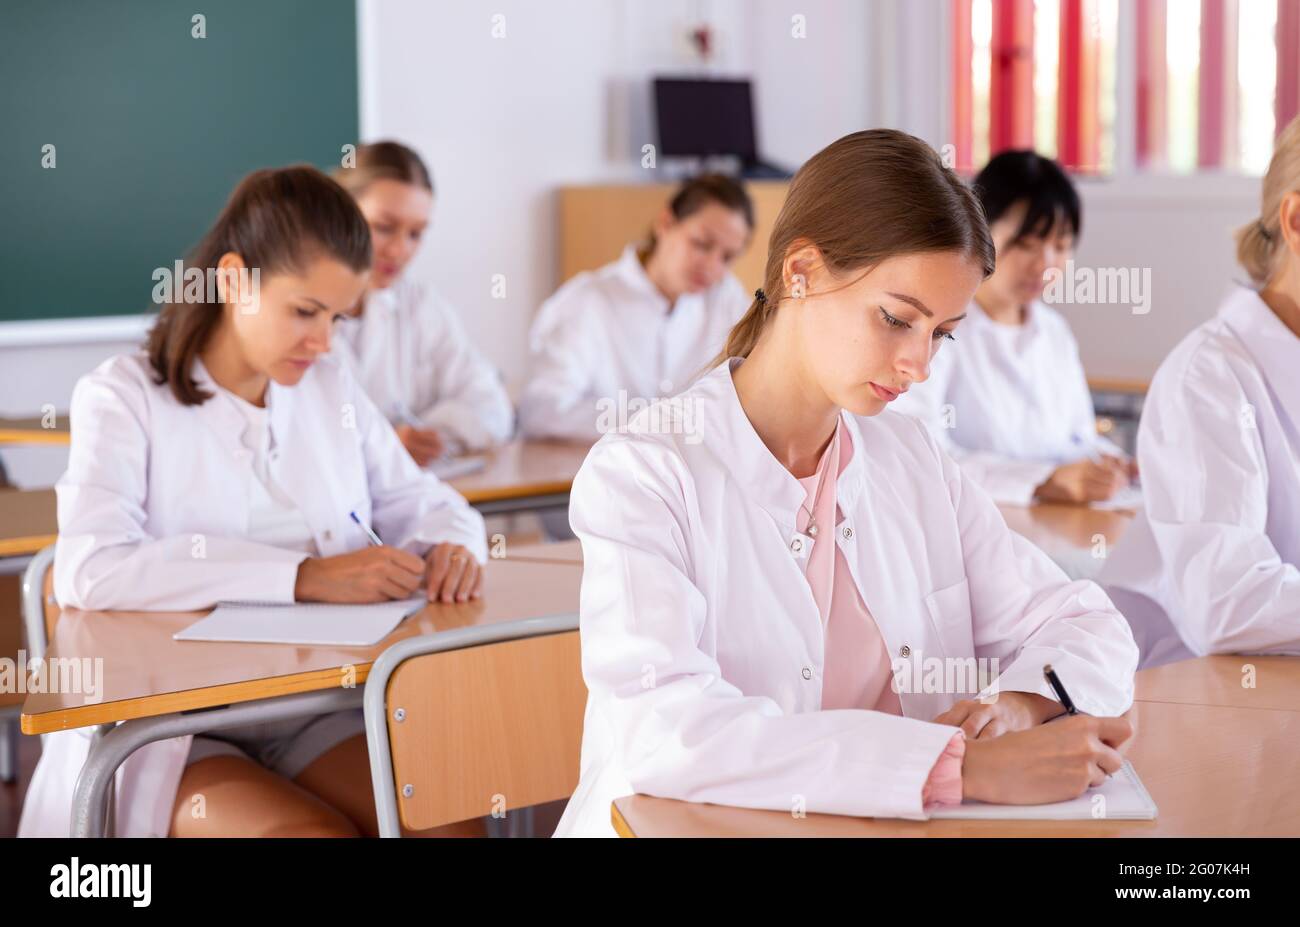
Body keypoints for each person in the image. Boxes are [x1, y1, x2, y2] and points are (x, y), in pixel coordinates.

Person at [554, 130, 1137, 838]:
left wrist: (1018, 706)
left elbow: (1087, 620)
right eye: (897, 319)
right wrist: (963, 768)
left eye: (942, 334)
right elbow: (668, 730)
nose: (918, 364)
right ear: (801, 270)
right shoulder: (643, 472)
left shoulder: (911, 456)